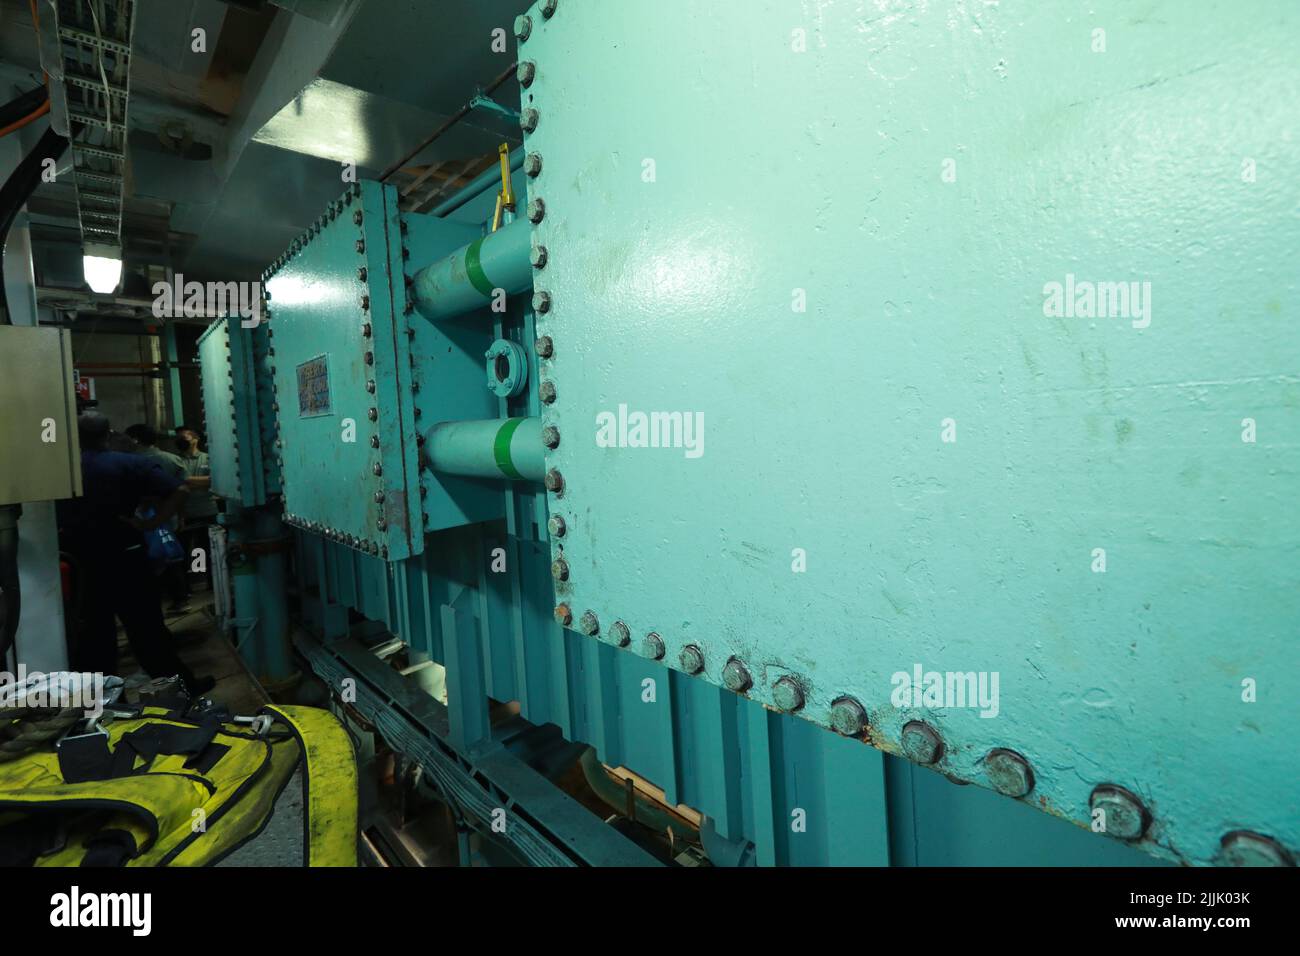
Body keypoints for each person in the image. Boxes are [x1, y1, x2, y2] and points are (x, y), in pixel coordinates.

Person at [58, 412, 215, 695]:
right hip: (127, 556)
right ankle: (182, 689)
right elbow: (179, 489)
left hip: (82, 562)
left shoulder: (62, 469)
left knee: (94, 636)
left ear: (76, 437)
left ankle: (101, 704)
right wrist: (152, 522)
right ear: (109, 434)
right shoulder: (130, 464)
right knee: (147, 630)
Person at [125, 424, 190, 614]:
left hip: (142, 518)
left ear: (135, 439)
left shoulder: (131, 461)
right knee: (172, 554)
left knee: (150, 558)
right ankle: (184, 595)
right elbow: (184, 488)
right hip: (170, 515)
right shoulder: (173, 459)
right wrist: (181, 515)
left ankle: (155, 602)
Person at [174, 425, 218, 602]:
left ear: (195, 438)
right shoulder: (176, 460)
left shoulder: (208, 458)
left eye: (183, 436)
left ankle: (208, 582)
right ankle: (190, 584)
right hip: (185, 512)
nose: (180, 440)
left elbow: (212, 480)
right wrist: (199, 482)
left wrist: (187, 481)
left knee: (204, 549)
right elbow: (175, 482)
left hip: (207, 511)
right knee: (185, 552)